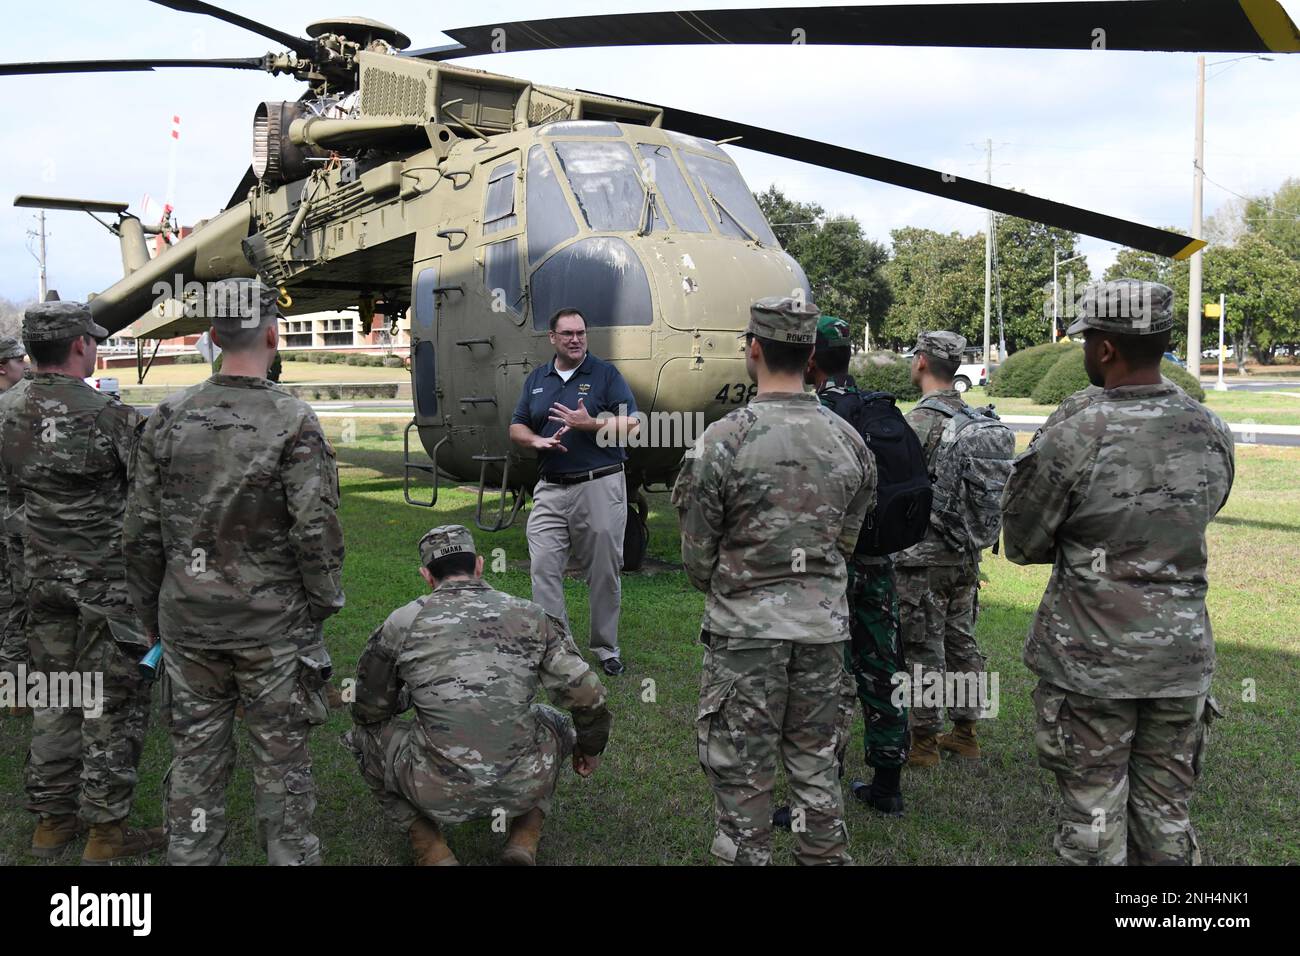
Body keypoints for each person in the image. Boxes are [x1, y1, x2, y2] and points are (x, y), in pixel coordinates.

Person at [1002, 280, 1234, 865]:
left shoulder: (1075, 434)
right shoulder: (1210, 428)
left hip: (1092, 664)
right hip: (1179, 663)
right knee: (1167, 821)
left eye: (1086, 340)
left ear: (1104, 349)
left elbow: (1023, 541)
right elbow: (1202, 512)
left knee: (1093, 821)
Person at [124, 281, 345, 866]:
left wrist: (151, 616)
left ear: (214, 337)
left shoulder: (167, 417)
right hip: (271, 629)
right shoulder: (293, 419)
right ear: (273, 333)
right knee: (282, 764)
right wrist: (319, 606)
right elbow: (314, 530)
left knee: (195, 757)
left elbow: (140, 532)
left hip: (188, 623)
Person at [672, 296, 873, 865]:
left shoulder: (722, 440)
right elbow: (847, 541)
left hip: (744, 634)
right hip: (823, 632)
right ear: (811, 355)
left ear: (753, 351)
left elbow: (697, 556)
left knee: (742, 773)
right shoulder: (848, 439)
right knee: (816, 767)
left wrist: (741, 584)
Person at [344, 524, 611, 866]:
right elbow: (588, 693)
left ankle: (431, 848)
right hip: (522, 780)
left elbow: (368, 710)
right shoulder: (530, 614)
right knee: (555, 723)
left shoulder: (402, 622)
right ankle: (523, 840)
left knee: (364, 735)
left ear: (426, 575)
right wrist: (590, 746)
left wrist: (413, 693)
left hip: (433, 787)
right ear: (480, 565)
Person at [0, 301, 161, 863]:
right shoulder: (112, 418)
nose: (95, 347)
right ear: (77, 348)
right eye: (91, 340)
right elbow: (149, 507)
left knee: (55, 698)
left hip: (39, 583)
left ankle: (51, 824)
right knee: (110, 707)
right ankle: (104, 835)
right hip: (107, 589)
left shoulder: (4, 411)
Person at [805, 315, 910, 814]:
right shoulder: (877, 409)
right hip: (879, 561)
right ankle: (887, 784)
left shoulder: (816, 416)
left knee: (830, 676)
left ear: (811, 361)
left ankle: (822, 789)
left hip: (831, 563)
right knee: (883, 666)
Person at [509, 307, 640, 677]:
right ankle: (558, 648)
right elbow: (516, 426)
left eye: (581, 332)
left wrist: (591, 423)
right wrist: (537, 440)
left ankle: (606, 647)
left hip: (599, 483)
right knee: (544, 567)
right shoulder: (537, 379)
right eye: (567, 333)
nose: (576, 339)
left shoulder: (605, 375)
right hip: (550, 489)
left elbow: (631, 423)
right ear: (552, 337)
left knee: (603, 571)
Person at [894, 331, 987, 766]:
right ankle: (965, 732)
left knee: (922, 647)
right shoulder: (975, 418)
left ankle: (925, 741)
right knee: (961, 640)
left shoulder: (917, 423)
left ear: (922, 362)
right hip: (966, 552)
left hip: (922, 558)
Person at [0, 336, 29, 714]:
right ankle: (17, 692)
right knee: (16, 604)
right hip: (10, 516)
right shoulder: (14, 409)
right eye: (17, 361)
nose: (24, 366)